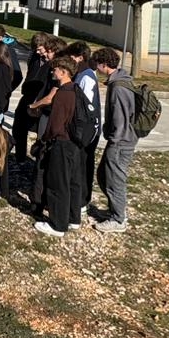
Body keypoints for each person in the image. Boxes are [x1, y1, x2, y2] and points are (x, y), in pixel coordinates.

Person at [33, 58, 84, 237]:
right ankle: (73, 218)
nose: (52, 72)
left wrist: (43, 140)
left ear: (63, 72)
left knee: (57, 184)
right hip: (75, 143)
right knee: (73, 182)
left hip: (61, 143)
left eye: (55, 70)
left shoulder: (62, 94)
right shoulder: (76, 89)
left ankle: (58, 225)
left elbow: (55, 125)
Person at [90, 47, 138, 233]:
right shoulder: (120, 80)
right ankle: (114, 211)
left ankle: (118, 219)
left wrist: (114, 138)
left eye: (97, 65)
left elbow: (121, 117)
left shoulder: (118, 88)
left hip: (121, 141)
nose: (96, 69)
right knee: (104, 174)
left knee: (115, 179)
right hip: (120, 139)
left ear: (103, 64)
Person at [12, 36, 59, 161]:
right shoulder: (34, 57)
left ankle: (40, 159)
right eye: (36, 50)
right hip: (28, 95)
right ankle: (20, 156)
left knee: (41, 132)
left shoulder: (53, 62)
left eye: (40, 50)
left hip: (42, 98)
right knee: (18, 127)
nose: (38, 53)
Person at [71, 48, 103, 219]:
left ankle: (83, 201)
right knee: (80, 165)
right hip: (84, 130)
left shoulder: (87, 78)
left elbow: (87, 108)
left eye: (72, 57)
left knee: (85, 166)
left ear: (81, 58)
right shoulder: (83, 74)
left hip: (87, 132)